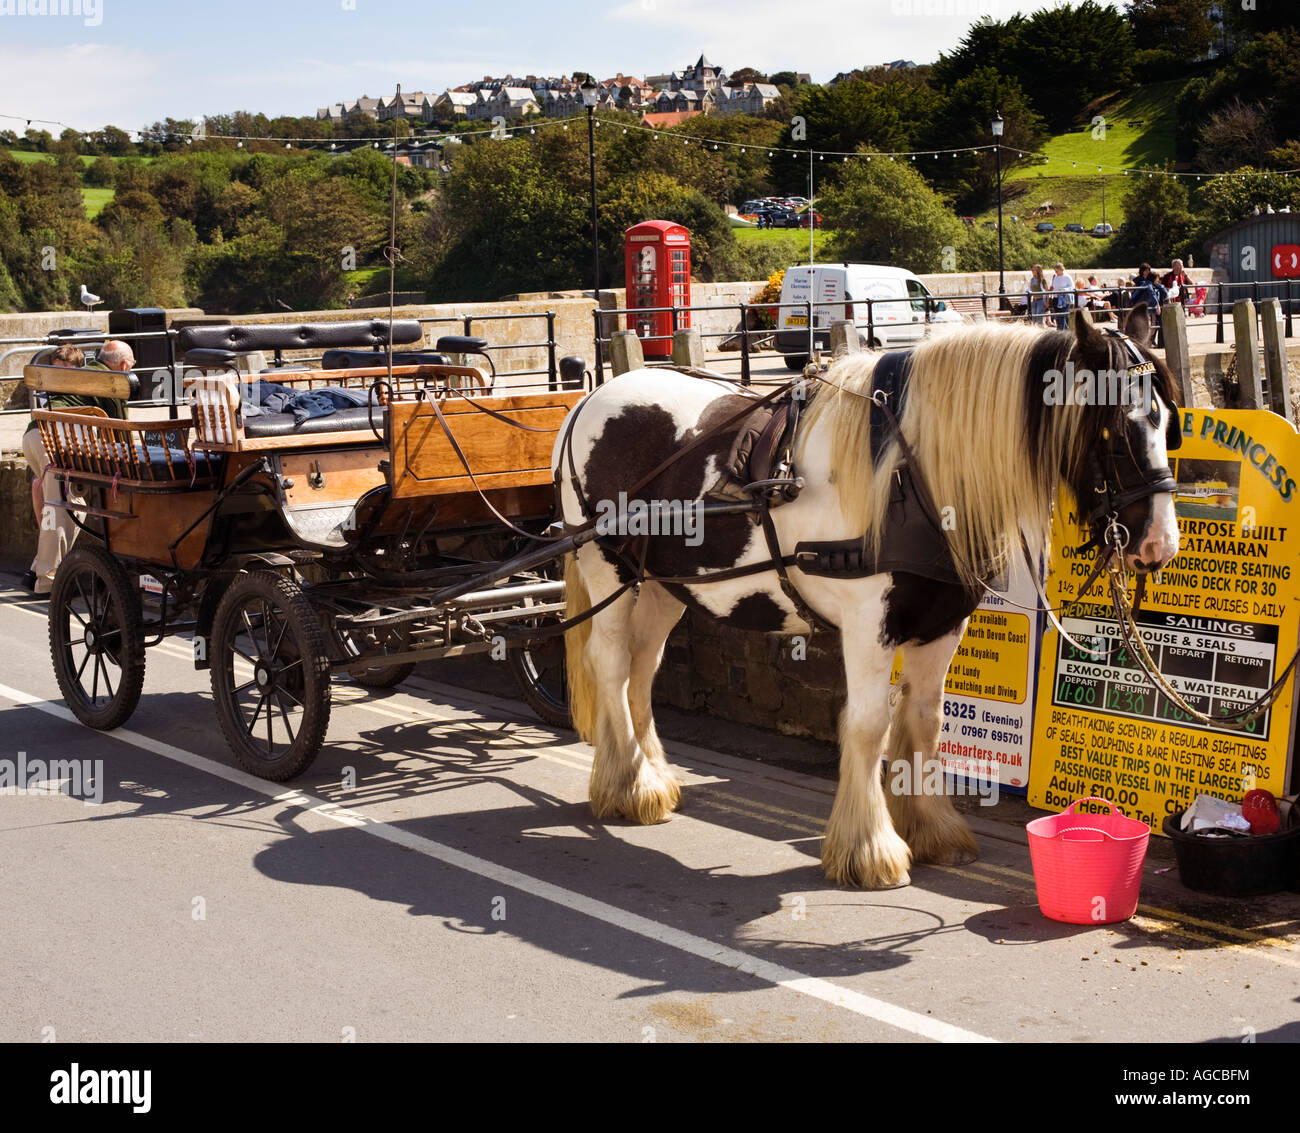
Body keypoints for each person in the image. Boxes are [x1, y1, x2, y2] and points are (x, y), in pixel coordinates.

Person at [20, 339, 134, 594]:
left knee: (69, 505)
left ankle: (37, 569)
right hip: (57, 440)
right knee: (62, 507)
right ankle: (47, 581)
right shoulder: (111, 382)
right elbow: (121, 435)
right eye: (131, 366)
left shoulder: (83, 373)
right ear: (125, 364)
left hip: (35, 437)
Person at [1048, 262, 1076, 329]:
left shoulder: (1067, 277)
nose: (1056, 272)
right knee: (1058, 316)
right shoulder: (1055, 276)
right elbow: (1053, 286)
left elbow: (1072, 287)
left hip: (1064, 298)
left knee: (1062, 316)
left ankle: (1060, 330)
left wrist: (1064, 289)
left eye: (1056, 270)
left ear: (1060, 269)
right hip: (1056, 297)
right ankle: (1064, 331)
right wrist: (1051, 288)